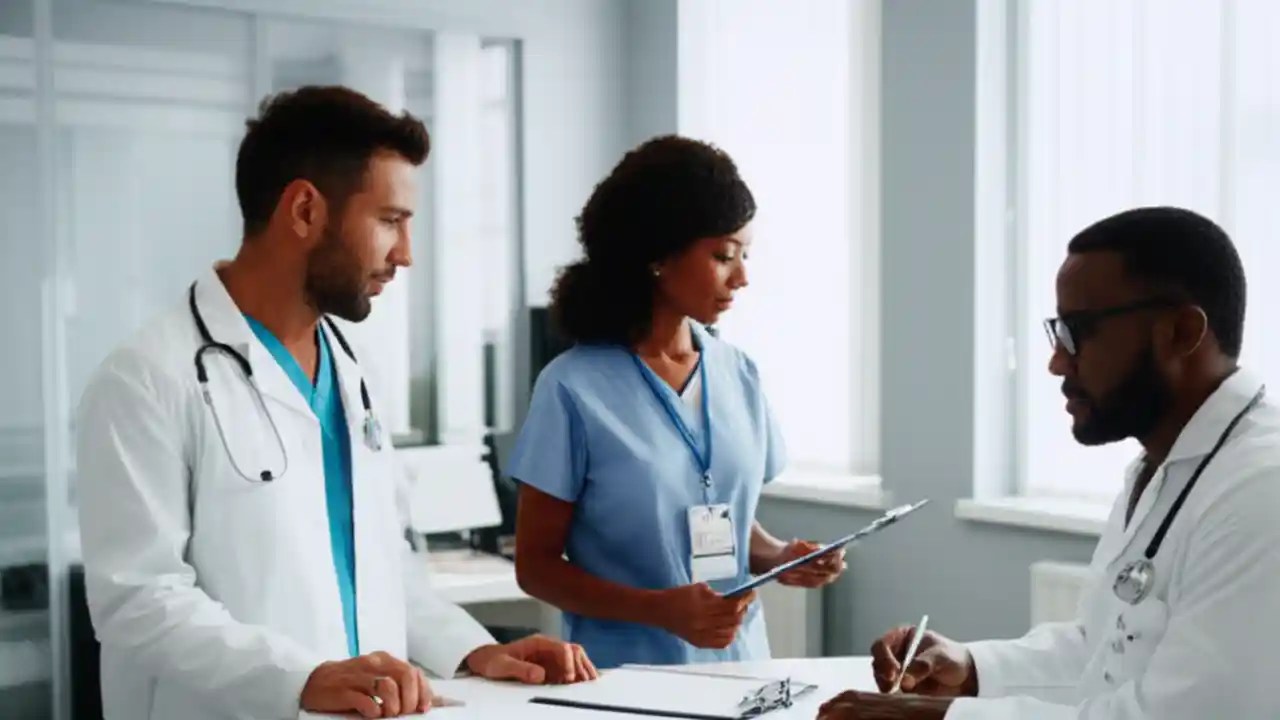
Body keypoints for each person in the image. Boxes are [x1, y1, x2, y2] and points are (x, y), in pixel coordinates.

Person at [75, 86, 596, 720]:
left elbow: (383, 563)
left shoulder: (353, 368)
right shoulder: (148, 377)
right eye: (390, 221)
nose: (405, 253)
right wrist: (301, 677)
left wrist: (472, 650)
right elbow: (139, 601)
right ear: (304, 210)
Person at [818, 207, 1280, 720]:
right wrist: (972, 668)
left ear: (1179, 331)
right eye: (1056, 332)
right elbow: (1101, 650)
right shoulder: (1162, 467)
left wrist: (940, 717)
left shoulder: (1261, 489)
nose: (1057, 361)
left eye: (1078, 331)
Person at [508, 135, 846, 670]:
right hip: (626, 678)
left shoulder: (738, 372)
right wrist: (658, 610)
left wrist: (779, 556)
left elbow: (722, 519)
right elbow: (537, 566)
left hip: (741, 671)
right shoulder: (573, 388)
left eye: (745, 255)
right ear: (659, 255)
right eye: (722, 256)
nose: (742, 277)